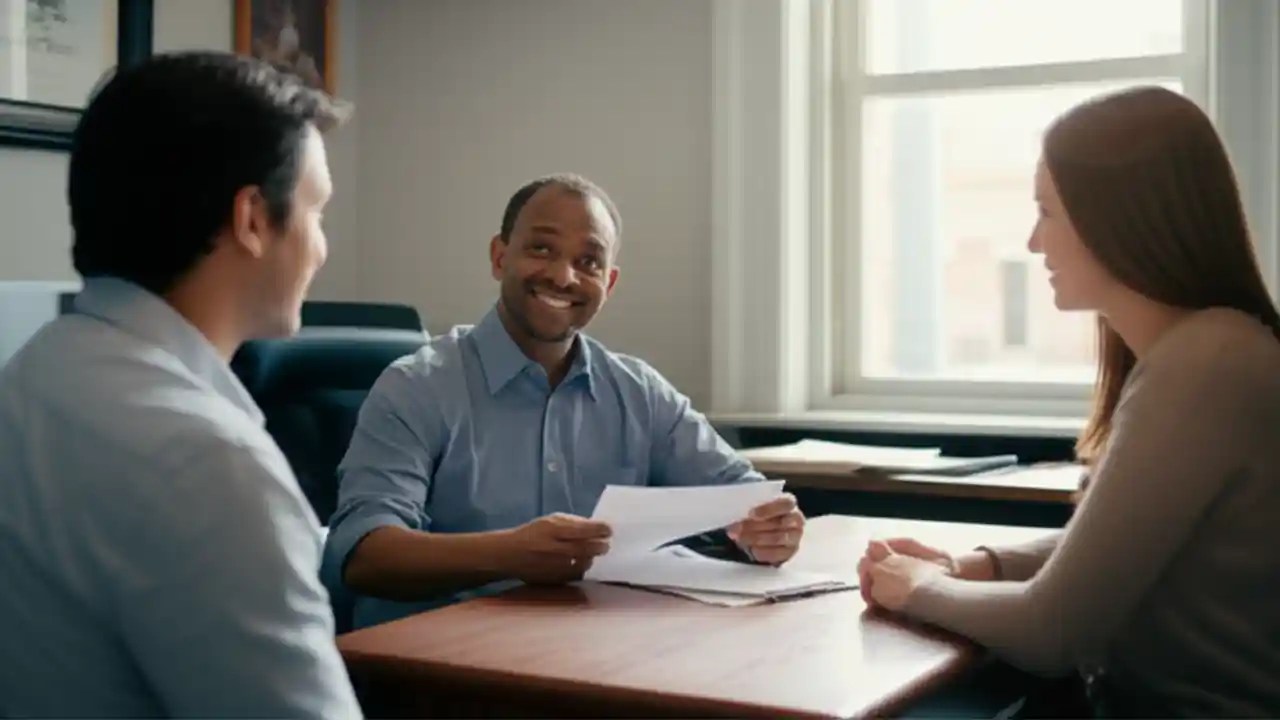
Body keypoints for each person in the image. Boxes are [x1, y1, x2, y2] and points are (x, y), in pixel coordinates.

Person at [857, 86, 1280, 717]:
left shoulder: (1207, 362)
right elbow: (1117, 552)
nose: (1034, 242)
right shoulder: (1208, 351)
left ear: (1121, 217)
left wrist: (920, 588)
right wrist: (971, 566)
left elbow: (1051, 633)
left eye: (1048, 212)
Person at [0, 52, 361, 718]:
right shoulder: (209, 462)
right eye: (317, 213)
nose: (321, 248)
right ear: (252, 219)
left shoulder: (28, 379)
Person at [322, 174, 805, 628]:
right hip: (432, 665)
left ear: (608, 284)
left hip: (590, 648)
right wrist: (508, 554)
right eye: (541, 249)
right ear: (499, 256)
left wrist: (770, 532)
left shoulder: (640, 392)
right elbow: (365, 556)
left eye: (588, 262)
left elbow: (750, 500)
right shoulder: (416, 387)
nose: (563, 276)